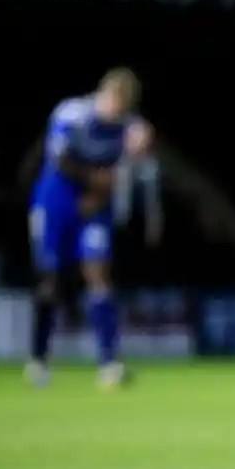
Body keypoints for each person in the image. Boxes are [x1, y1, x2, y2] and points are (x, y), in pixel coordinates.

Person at [25, 68, 154, 389]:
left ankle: (109, 363)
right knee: (50, 279)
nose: (115, 111)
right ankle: (38, 359)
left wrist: (103, 190)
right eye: (113, 102)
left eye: (122, 107)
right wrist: (94, 181)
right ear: (103, 94)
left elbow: (127, 170)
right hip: (56, 203)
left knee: (98, 272)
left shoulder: (130, 129)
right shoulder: (72, 114)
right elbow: (61, 160)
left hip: (95, 207)